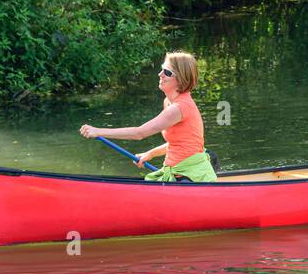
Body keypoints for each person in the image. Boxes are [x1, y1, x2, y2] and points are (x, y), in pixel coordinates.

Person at [79, 52, 217, 182]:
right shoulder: (169, 102)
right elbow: (179, 143)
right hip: (176, 172)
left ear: (181, 79)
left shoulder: (178, 108)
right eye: (162, 69)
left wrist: (98, 131)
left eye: (167, 72)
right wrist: (150, 154)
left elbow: (140, 133)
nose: (160, 74)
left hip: (191, 175)